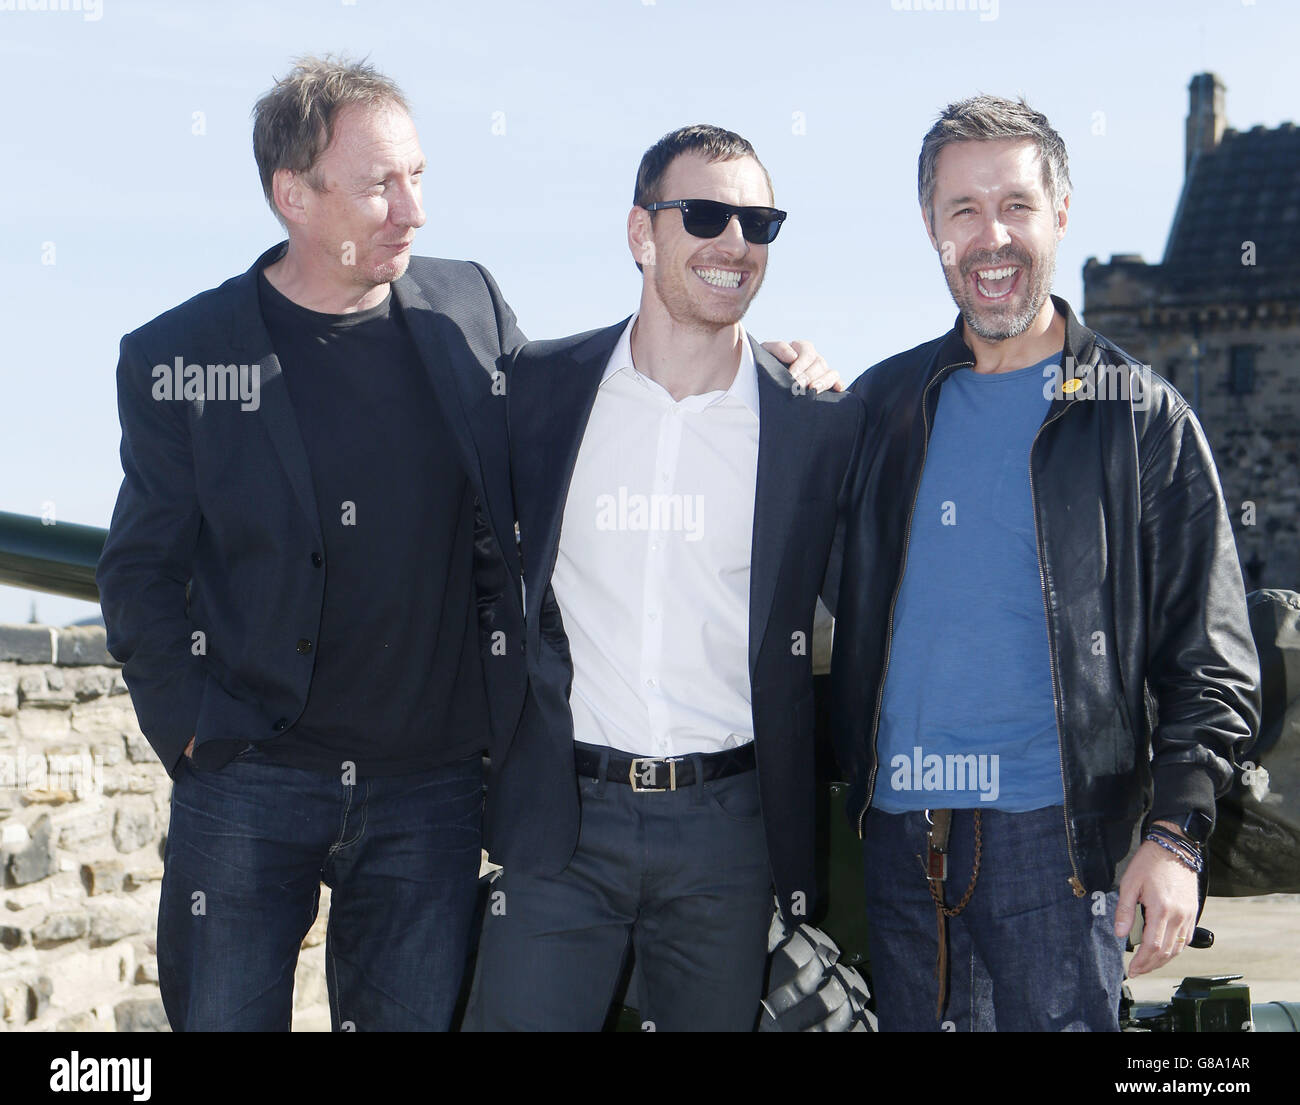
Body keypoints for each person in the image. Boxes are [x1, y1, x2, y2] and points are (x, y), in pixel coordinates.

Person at [97, 58, 832, 1032]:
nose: (414, 209)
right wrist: (190, 731)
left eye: (419, 175)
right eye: (379, 184)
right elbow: (140, 570)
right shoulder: (179, 355)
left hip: (429, 790)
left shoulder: (469, 310)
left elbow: (595, 408)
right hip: (249, 781)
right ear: (293, 196)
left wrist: (772, 373)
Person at [830, 95, 1261, 1031]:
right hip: (903, 849)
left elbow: (1214, 661)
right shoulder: (879, 407)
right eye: (964, 210)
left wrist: (1177, 833)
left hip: (1059, 854)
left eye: (1018, 205)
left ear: (1060, 215)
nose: (994, 236)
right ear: (932, 228)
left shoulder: (1142, 418)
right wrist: (784, 388)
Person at [467, 125, 865, 1031]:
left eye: (758, 221)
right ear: (642, 233)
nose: (736, 242)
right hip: (562, 821)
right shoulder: (537, 390)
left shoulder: (814, 427)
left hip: (727, 832)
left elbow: (874, 611)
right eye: (708, 215)